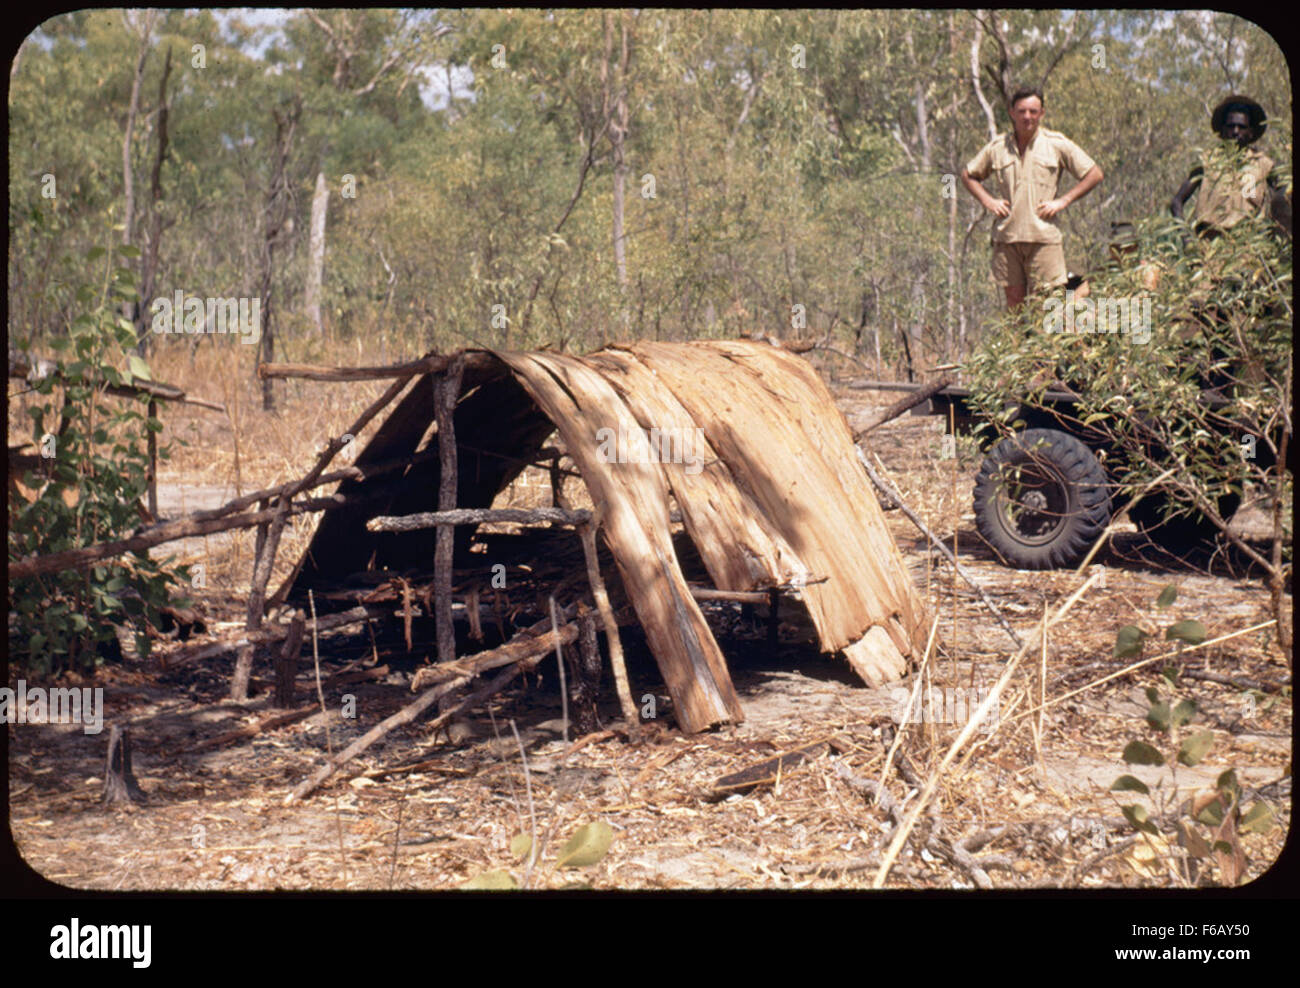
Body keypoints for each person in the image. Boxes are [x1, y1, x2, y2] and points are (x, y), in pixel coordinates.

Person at [961, 86, 1104, 308]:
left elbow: (1094, 174)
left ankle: (1043, 344)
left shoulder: (1056, 143)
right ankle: (1016, 344)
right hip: (1007, 237)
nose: (1028, 117)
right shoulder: (998, 147)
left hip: (1043, 238)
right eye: (1022, 111)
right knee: (1014, 304)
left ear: (1042, 113)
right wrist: (988, 201)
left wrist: (1062, 201)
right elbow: (968, 175)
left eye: (1033, 111)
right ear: (1012, 112)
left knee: (1044, 305)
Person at [1170, 95, 1286, 238]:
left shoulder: (1263, 164)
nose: (1236, 131)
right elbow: (1177, 202)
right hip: (1209, 248)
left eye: (1242, 127)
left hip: (1249, 248)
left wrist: (1277, 236)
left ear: (1250, 132)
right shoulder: (1208, 161)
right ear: (1223, 131)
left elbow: (1285, 195)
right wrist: (1186, 240)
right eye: (1231, 126)